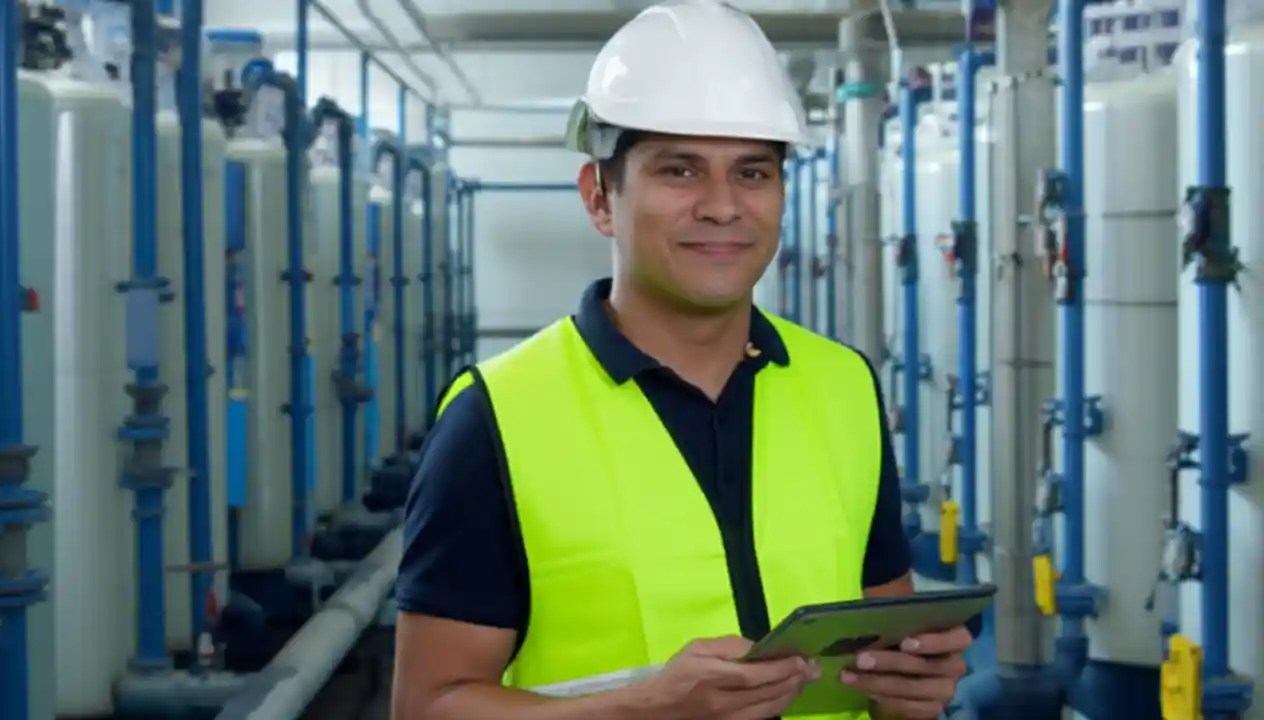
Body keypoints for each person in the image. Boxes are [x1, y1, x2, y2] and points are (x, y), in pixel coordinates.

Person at [390, 1, 976, 718]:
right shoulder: (498, 417)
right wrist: (646, 710)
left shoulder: (844, 385)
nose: (723, 206)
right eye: (680, 170)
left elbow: (883, 648)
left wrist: (909, 692)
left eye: (753, 174)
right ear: (600, 197)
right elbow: (428, 707)